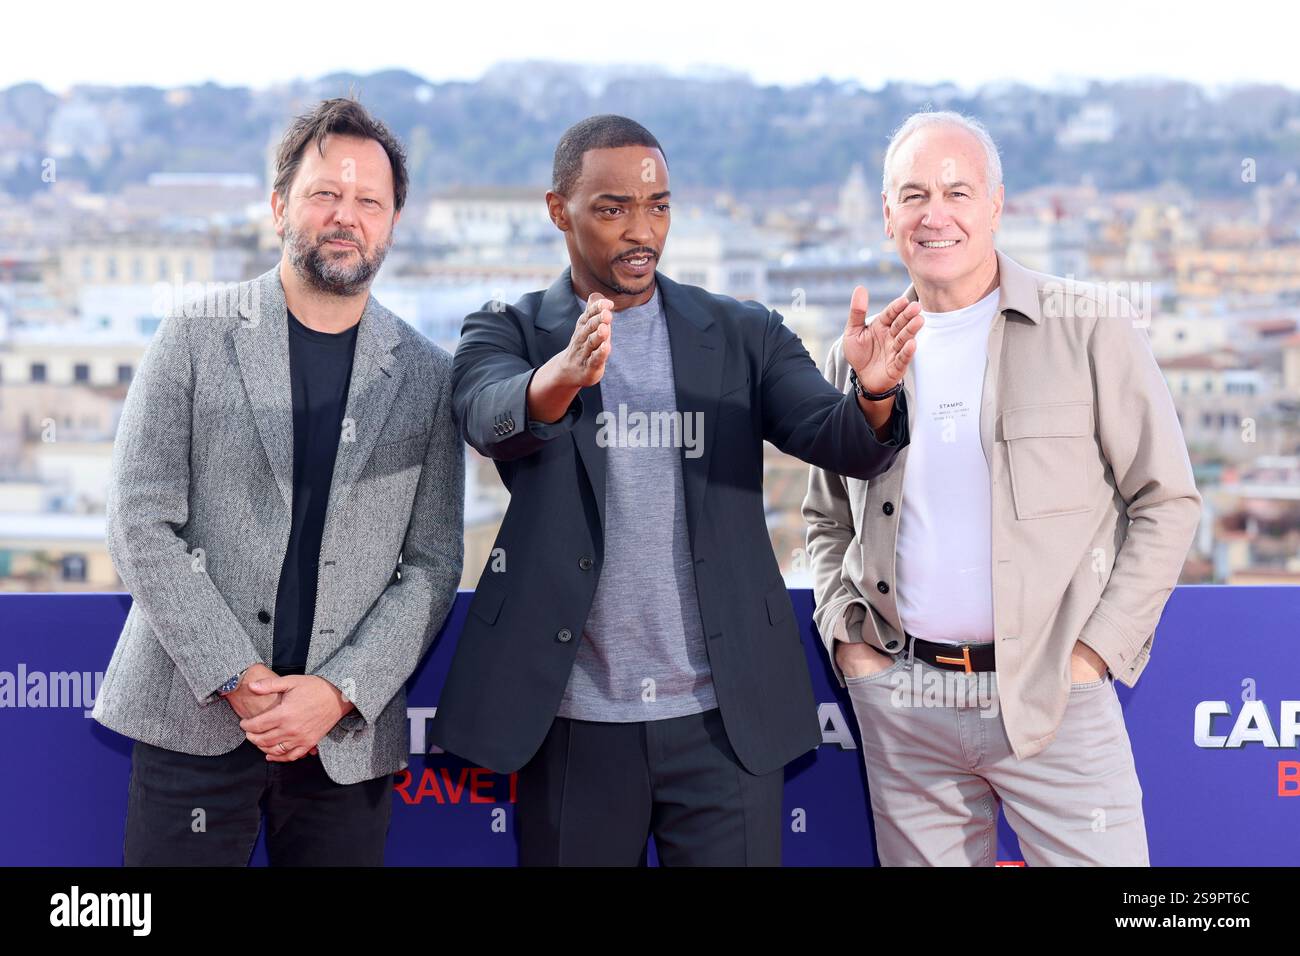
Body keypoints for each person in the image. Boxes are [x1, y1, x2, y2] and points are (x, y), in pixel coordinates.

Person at [430, 114, 922, 866]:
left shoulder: (741, 333)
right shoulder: (510, 329)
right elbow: (485, 414)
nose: (641, 230)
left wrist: (873, 394)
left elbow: (841, 441)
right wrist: (556, 380)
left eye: (658, 207)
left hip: (724, 724)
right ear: (558, 210)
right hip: (572, 723)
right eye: (612, 207)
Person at [803, 110, 1201, 866]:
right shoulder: (856, 354)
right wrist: (853, 646)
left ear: (996, 204)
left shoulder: (1087, 328)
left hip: (1055, 701)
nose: (934, 214)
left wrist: (1092, 657)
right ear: (887, 214)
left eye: (958, 191)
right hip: (907, 708)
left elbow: (1167, 500)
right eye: (913, 194)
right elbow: (827, 519)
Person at [92, 97, 464, 866]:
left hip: (344, 741)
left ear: (393, 220)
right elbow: (138, 521)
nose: (345, 215)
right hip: (191, 721)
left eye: (369, 200)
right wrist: (238, 678)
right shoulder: (192, 338)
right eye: (325, 193)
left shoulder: (427, 376)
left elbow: (432, 564)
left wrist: (335, 692)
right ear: (278, 206)